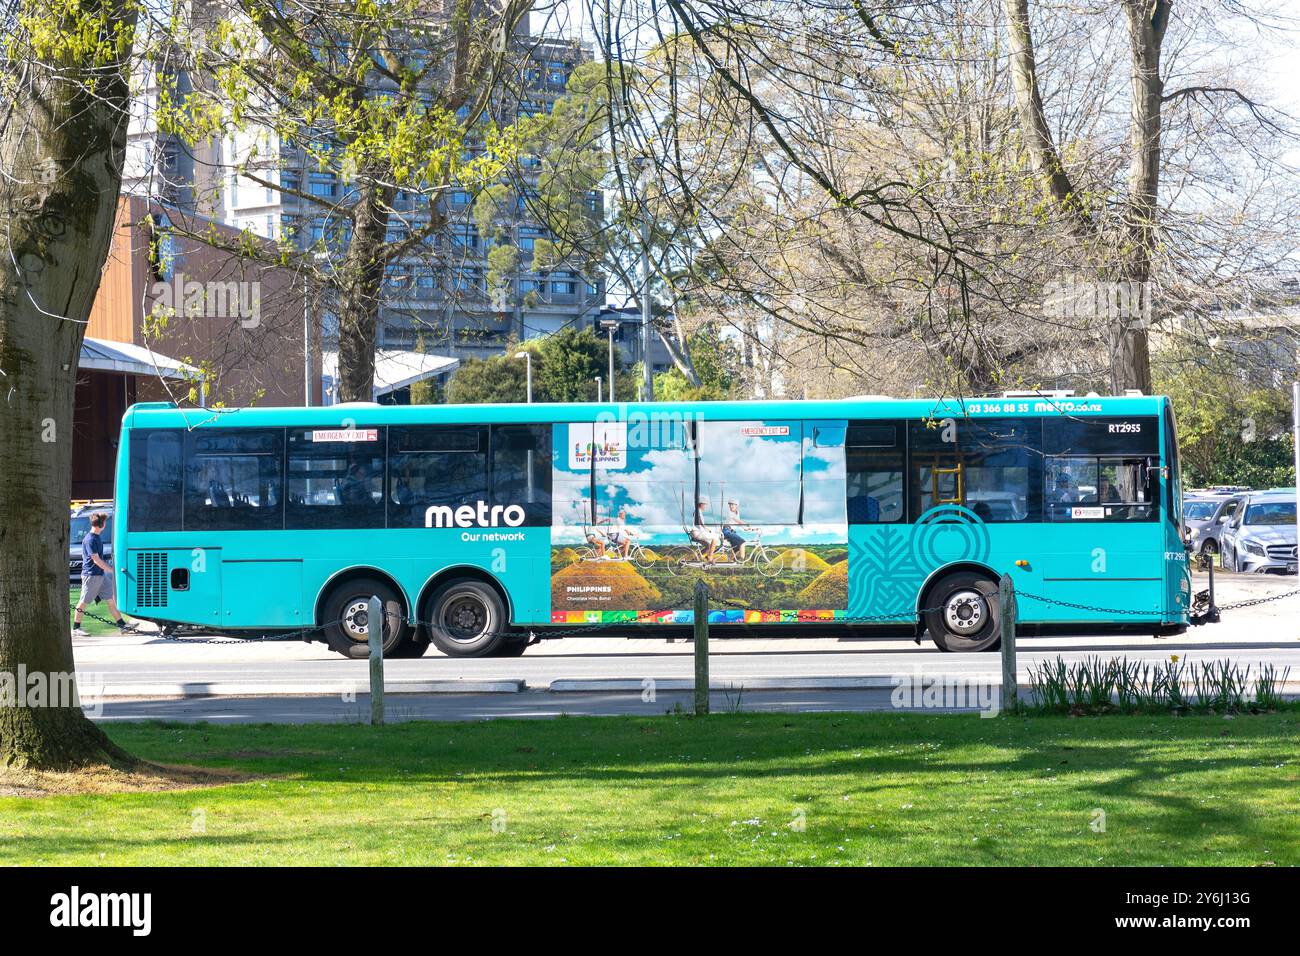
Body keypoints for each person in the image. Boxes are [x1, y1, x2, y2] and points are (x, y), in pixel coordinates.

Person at [72, 512, 137, 636]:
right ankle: (76, 628)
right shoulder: (90, 539)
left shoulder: (96, 537)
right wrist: (111, 570)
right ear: (101, 525)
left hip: (100, 575)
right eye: (105, 522)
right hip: (91, 575)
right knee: (83, 601)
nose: (106, 524)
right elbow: (96, 560)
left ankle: (122, 626)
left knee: (110, 599)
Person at [689, 496, 720, 563]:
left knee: (708, 547)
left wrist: (709, 530)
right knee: (715, 537)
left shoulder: (697, 511)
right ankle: (710, 557)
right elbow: (702, 524)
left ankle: (695, 559)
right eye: (705, 505)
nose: (705, 507)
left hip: (696, 532)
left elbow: (700, 524)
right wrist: (710, 530)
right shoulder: (698, 512)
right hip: (697, 532)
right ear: (701, 504)